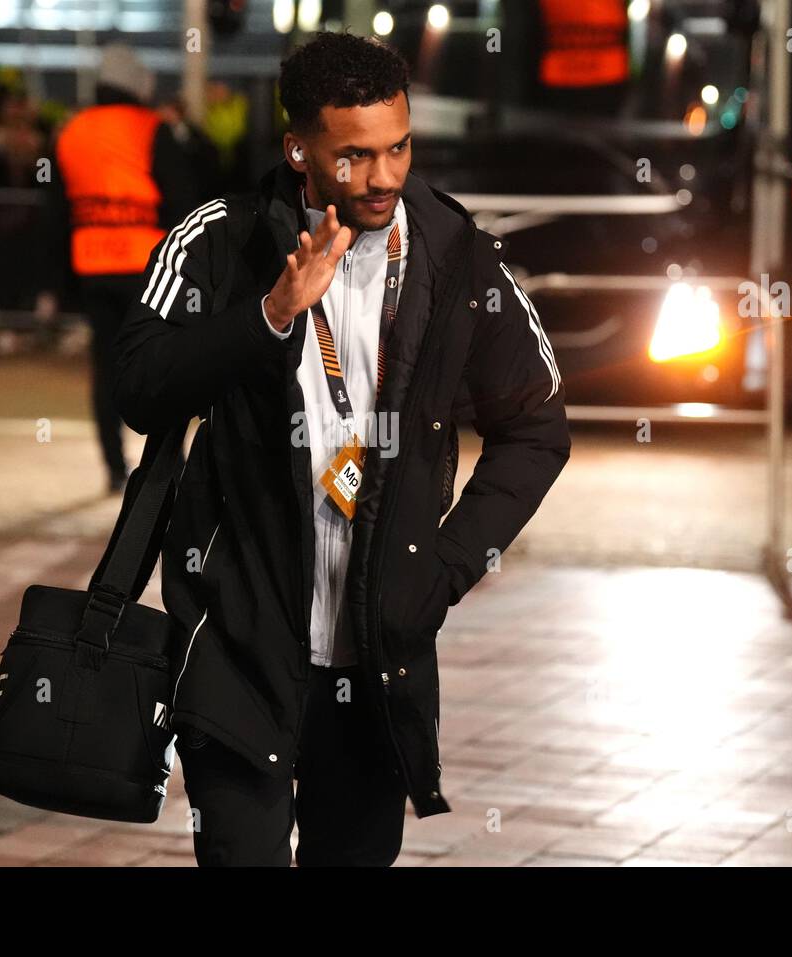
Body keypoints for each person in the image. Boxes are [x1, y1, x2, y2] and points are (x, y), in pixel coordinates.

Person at [104, 32, 570, 866]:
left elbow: (536, 426)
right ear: (299, 151)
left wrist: (444, 570)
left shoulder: (454, 251)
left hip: (375, 667)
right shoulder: (222, 238)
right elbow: (138, 384)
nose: (384, 176)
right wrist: (270, 316)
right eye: (353, 155)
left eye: (398, 148)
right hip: (238, 649)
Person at [54, 44, 200, 493]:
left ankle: (114, 467)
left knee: (105, 365)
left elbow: (55, 213)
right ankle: (165, 463)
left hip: (92, 264)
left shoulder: (71, 132)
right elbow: (183, 199)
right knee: (159, 364)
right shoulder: (151, 130)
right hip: (147, 265)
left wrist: (59, 285)